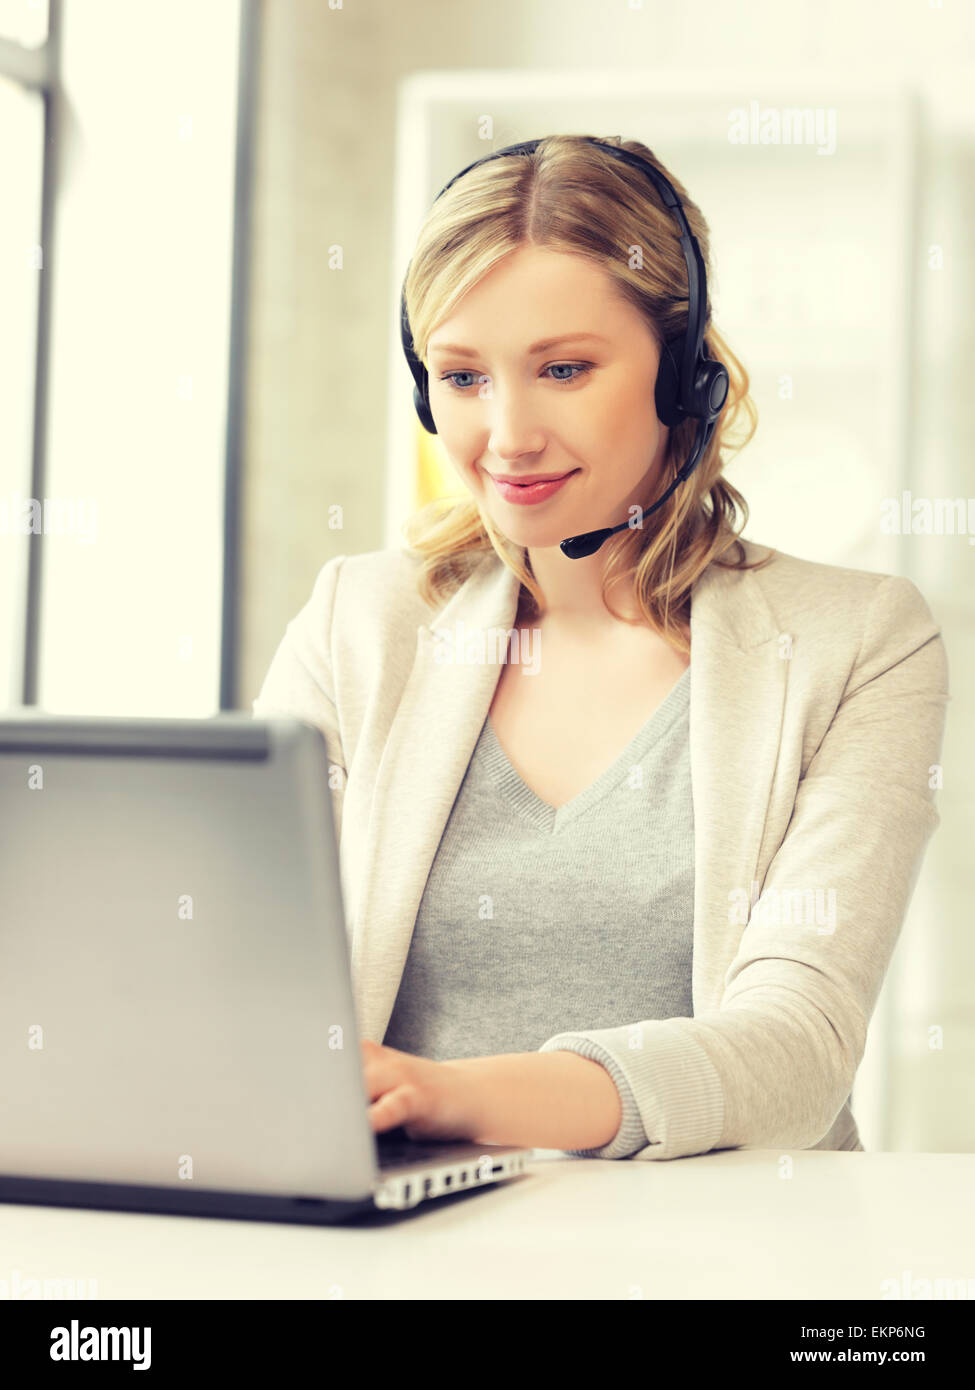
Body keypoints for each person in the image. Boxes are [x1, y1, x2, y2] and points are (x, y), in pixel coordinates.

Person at [253, 134, 949, 1161]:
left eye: (565, 368)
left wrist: (451, 1094)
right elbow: (246, 971)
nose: (509, 435)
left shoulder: (862, 642)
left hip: (723, 1259)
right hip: (399, 1246)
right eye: (462, 376)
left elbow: (797, 1053)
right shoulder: (360, 621)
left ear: (684, 379)